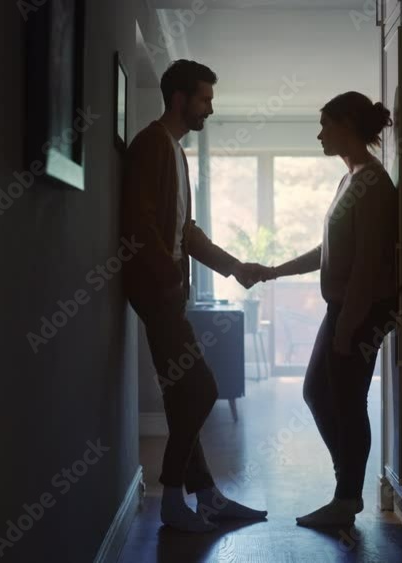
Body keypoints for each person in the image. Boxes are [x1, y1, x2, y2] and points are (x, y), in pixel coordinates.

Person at [121, 59, 270, 532]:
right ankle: (171, 497)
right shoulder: (151, 144)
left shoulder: (175, 151)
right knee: (202, 389)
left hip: (167, 293)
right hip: (158, 294)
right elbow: (139, 224)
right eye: (205, 98)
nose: (210, 108)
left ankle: (206, 496)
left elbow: (186, 231)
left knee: (181, 396)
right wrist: (168, 278)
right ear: (180, 99)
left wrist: (235, 267)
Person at [259, 91, 399, 527]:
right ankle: (346, 492)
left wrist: (347, 327)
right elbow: (330, 250)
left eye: (326, 125)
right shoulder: (350, 179)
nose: (320, 134)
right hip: (342, 308)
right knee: (320, 393)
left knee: (347, 401)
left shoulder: (374, 184)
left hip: (361, 309)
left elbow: (367, 263)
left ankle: (347, 498)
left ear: (347, 125)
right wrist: (274, 271)